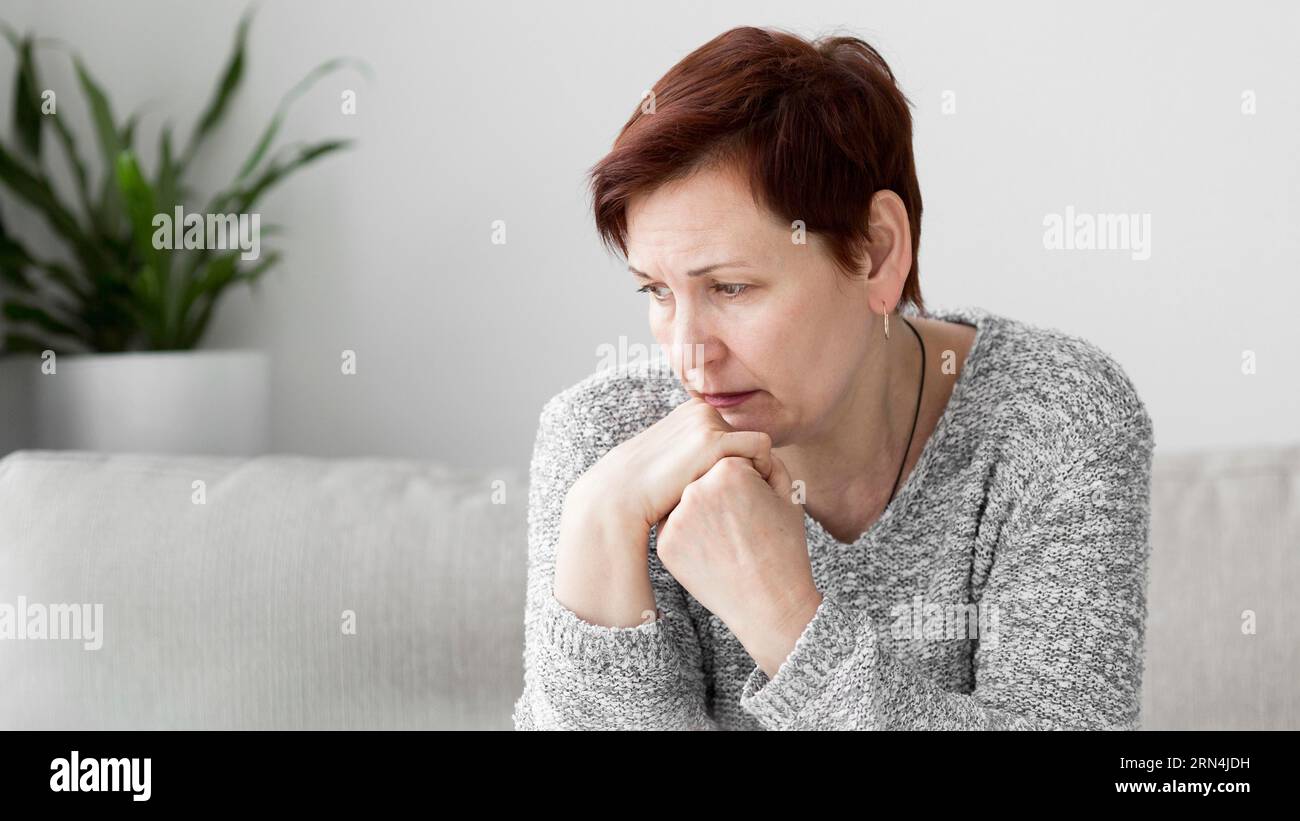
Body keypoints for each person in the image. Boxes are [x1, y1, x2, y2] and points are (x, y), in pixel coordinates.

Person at [512, 26, 1154, 730]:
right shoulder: (605, 449)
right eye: (656, 292)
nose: (688, 355)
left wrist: (785, 617)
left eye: (729, 287)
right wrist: (599, 523)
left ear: (878, 253)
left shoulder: (1057, 418)